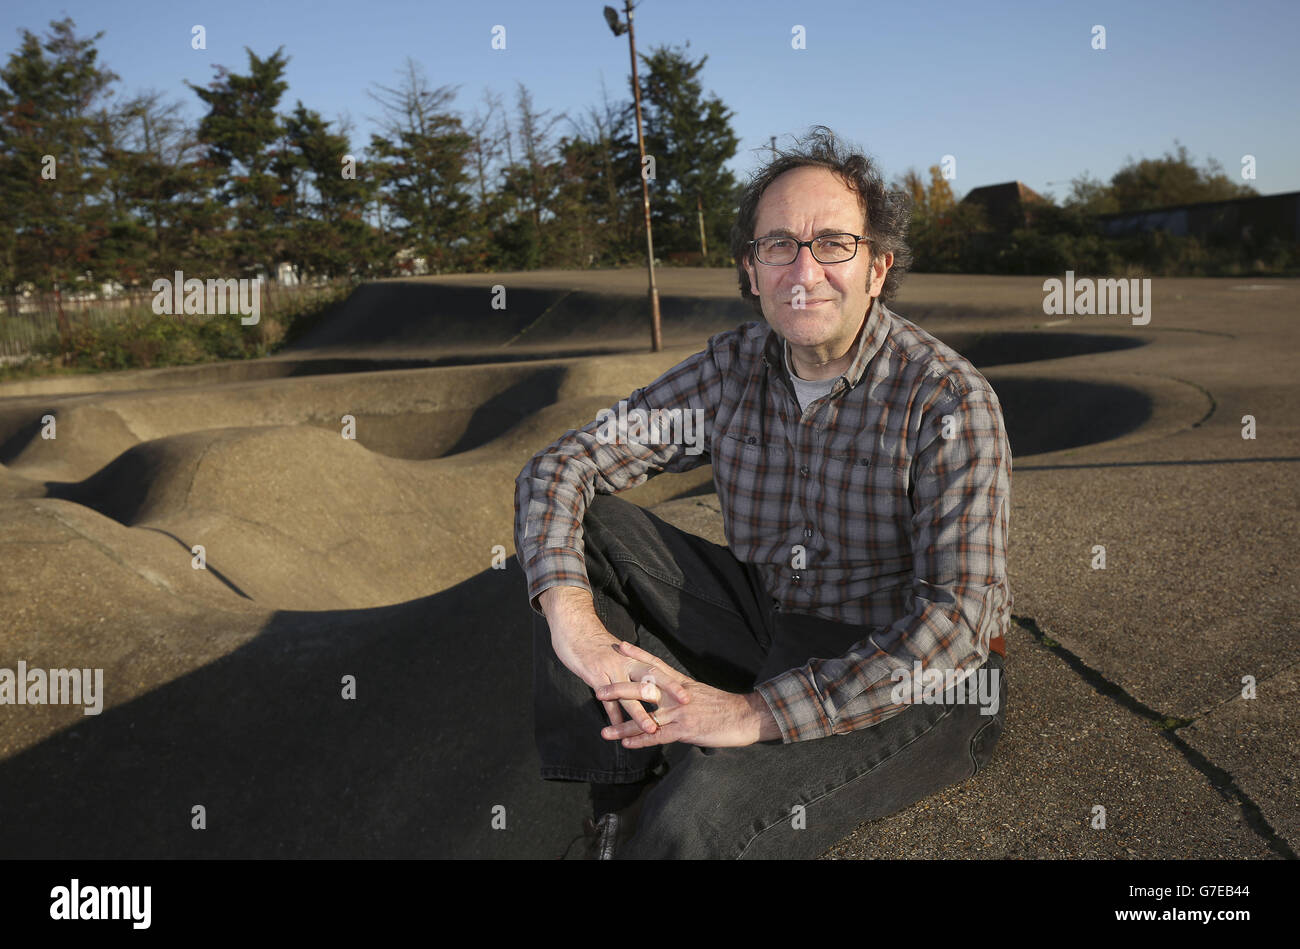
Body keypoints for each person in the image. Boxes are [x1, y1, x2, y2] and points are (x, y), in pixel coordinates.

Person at [513, 127, 1011, 859]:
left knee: (695, 823)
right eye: (779, 244)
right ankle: (617, 804)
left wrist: (752, 713)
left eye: (834, 243)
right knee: (586, 531)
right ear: (751, 270)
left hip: (916, 671)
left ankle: (668, 815)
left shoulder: (946, 399)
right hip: (772, 615)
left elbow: (956, 623)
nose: (804, 270)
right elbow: (561, 465)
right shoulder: (732, 368)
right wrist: (576, 624)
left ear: (877, 268)